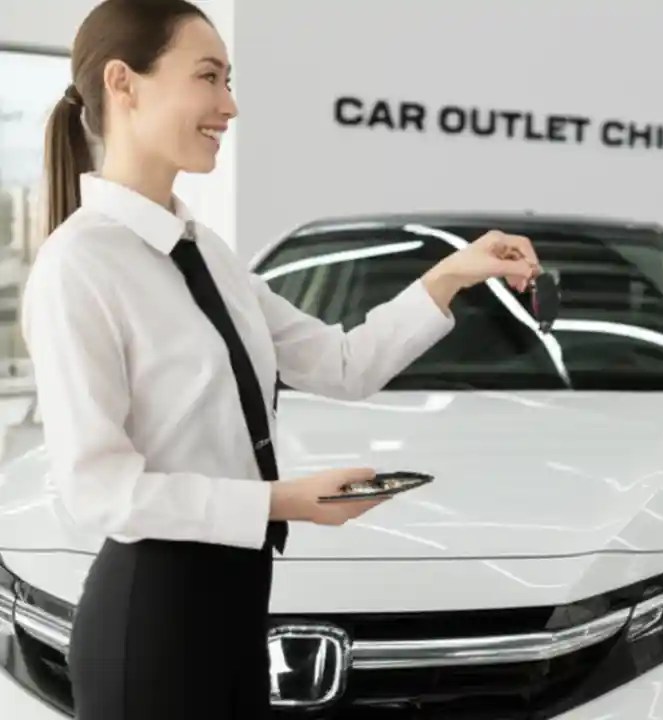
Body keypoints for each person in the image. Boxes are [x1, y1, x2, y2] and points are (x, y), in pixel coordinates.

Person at [21, 1, 541, 718]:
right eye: (209, 77)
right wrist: (282, 502)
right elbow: (98, 491)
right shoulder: (79, 264)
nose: (229, 106)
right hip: (153, 621)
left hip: (236, 605)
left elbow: (342, 364)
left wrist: (453, 273)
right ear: (123, 83)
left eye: (229, 81)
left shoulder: (206, 253)